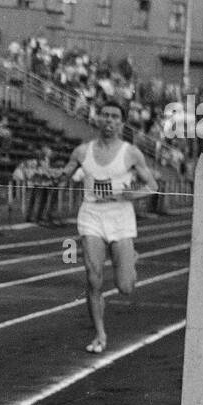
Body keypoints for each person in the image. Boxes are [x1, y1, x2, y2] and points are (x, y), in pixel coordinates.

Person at [60, 102, 158, 353]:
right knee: (93, 279)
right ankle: (100, 334)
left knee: (125, 287)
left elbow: (152, 186)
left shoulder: (131, 153)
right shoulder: (82, 151)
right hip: (91, 215)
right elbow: (65, 174)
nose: (109, 121)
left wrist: (130, 196)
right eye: (105, 115)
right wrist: (56, 174)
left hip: (120, 218)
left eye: (115, 117)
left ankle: (131, 261)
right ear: (98, 119)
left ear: (122, 123)